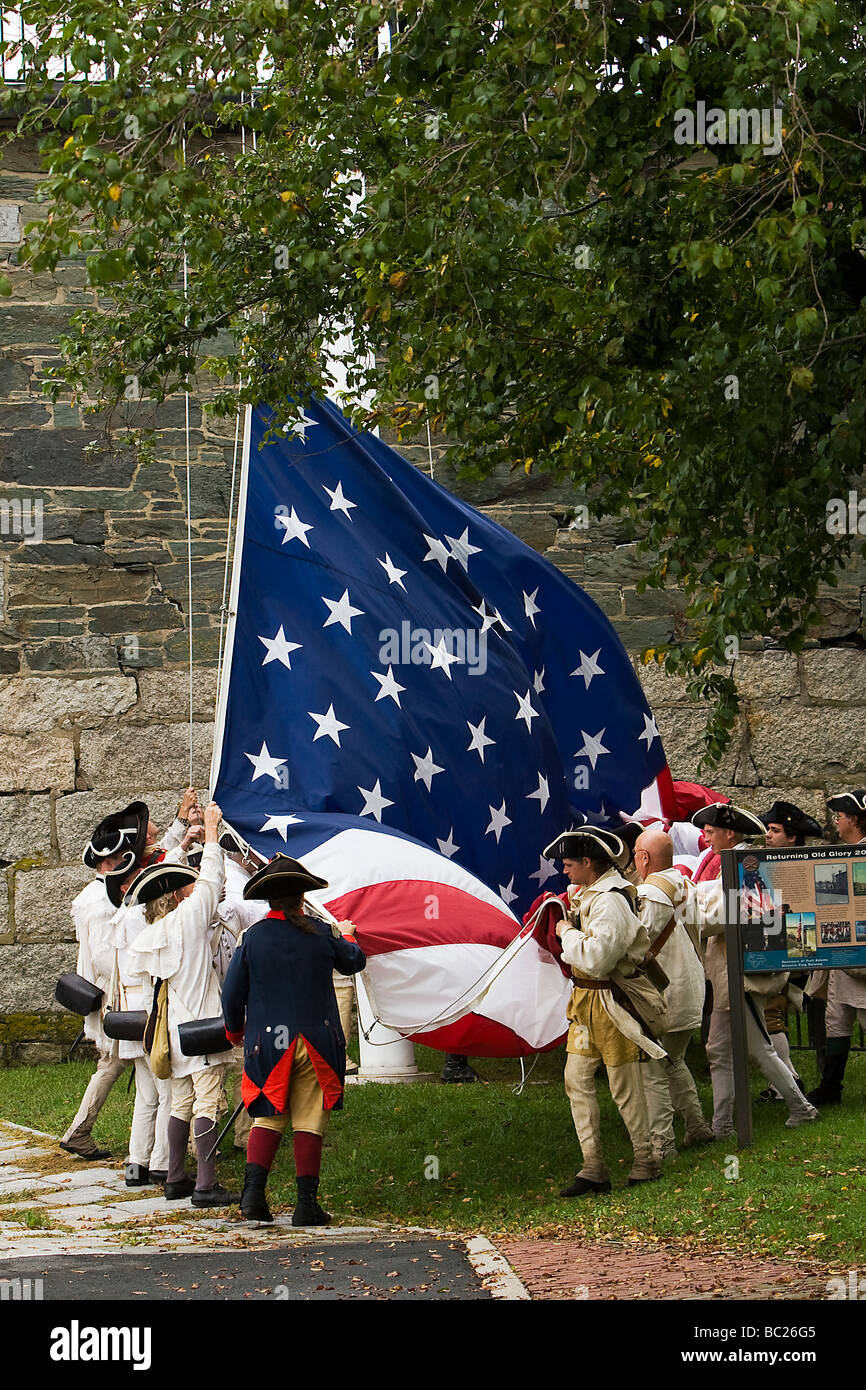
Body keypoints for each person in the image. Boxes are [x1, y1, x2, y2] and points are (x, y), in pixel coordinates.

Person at [221, 854, 366, 1225]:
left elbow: (232, 995)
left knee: (268, 1119)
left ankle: (252, 1198)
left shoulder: (251, 938)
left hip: (270, 1045)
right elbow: (354, 961)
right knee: (309, 1121)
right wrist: (347, 933)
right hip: (317, 1041)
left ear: (269, 900)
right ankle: (306, 1206)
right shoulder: (321, 932)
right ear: (302, 898)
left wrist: (234, 1032)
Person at [546, 827, 667, 1197]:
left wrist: (565, 930)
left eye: (569, 865)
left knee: (624, 1087)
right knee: (576, 1081)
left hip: (612, 1003)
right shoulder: (593, 894)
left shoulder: (611, 901)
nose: (565, 872)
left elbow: (598, 960)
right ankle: (593, 1166)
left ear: (587, 863)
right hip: (586, 1003)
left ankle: (646, 1160)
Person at [126, 801, 236, 1207]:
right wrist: (209, 830)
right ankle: (205, 1184)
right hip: (201, 1024)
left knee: (182, 1101)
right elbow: (210, 879)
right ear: (173, 895)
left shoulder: (151, 931)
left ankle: (175, 1178)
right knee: (206, 1101)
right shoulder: (188, 918)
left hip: (170, 1031)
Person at [692, 802, 819, 1135]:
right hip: (729, 972)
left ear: (729, 833)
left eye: (711, 832)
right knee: (718, 1049)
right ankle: (721, 1125)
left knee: (759, 1048)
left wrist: (686, 911)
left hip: (743, 974)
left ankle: (801, 1107)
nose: (706, 839)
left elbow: (716, 919)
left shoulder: (744, 867)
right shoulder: (737, 864)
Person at [58, 805, 145, 1159]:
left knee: (113, 1065)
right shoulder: (101, 903)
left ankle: (80, 1131)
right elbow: (105, 958)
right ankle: (150, 1150)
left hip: (110, 995)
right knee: (136, 1067)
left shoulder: (93, 894)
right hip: (114, 995)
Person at [633, 827, 714, 1159]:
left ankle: (663, 1144)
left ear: (644, 858)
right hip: (690, 984)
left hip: (666, 990)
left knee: (654, 1068)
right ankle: (697, 1126)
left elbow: (637, 942)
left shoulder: (650, 894)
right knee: (672, 1060)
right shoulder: (685, 884)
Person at [757, 800, 822, 1100]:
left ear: (792, 836)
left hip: (790, 949)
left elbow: (802, 916)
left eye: (775, 830)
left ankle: (788, 1083)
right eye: (768, 829)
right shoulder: (768, 865)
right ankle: (783, 1081)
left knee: (772, 1018)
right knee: (770, 1018)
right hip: (775, 946)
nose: (768, 835)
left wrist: (792, 959)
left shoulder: (797, 867)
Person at [806, 790, 866, 1105]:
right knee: (837, 1018)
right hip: (842, 949)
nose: (837, 822)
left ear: (854, 820)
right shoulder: (846, 855)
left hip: (861, 951)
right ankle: (831, 1086)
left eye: (840, 816)